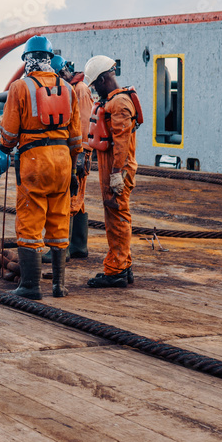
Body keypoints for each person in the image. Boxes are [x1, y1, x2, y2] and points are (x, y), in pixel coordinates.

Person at [0, 36, 83, 299]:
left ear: (27, 59)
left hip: (34, 162)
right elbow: (77, 137)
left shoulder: (20, 87)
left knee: (30, 220)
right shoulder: (68, 88)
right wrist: (71, 165)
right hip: (63, 161)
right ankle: (59, 285)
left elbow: (9, 133)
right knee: (59, 220)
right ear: (49, 59)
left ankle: (31, 286)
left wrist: (4, 148)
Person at [83, 55, 138, 288]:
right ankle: (122, 266)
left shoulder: (119, 104)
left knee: (117, 217)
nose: (94, 89)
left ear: (105, 78)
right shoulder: (113, 101)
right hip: (113, 170)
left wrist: (117, 174)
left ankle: (116, 270)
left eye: (96, 83)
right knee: (114, 216)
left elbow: (122, 143)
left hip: (118, 171)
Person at [43, 55, 92, 262]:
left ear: (63, 73)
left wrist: (79, 154)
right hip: (75, 150)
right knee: (78, 200)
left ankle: (63, 251)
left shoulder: (79, 89)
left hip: (79, 151)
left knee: (70, 198)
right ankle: (78, 247)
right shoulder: (69, 89)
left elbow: (83, 123)